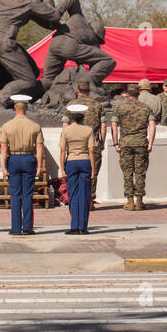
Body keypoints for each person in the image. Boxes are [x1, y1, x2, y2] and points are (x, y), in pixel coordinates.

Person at [0, 97, 44, 235]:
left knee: (15, 195)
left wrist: (4, 167)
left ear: (14, 108)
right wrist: (39, 167)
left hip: (13, 159)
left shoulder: (7, 126)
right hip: (28, 158)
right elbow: (40, 148)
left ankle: (16, 228)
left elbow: (3, 148)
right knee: (28, 195)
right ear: (27, 108)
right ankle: (27, 228)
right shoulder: (35, 126)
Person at [110, 82, 156, 211]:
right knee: (140, 172)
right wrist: (150, 143)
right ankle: (140, 201)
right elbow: (152, 126)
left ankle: (130, 201)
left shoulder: (120, 108)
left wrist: (116, 143)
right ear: (138, 94)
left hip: (125, 144)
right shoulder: (146, 108)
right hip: (141, 143)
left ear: (127, 94)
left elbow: (114, 126)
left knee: (127, 173)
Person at [60, 105, 97, 234]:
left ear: (71, 117)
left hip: (71, 161)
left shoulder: (66, 131)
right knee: (85, 195)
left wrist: (62, 169)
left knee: (73, 194)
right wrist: (93, 169)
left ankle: (74, 226)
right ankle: (83, 226)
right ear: (83, 117)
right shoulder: (88, 130)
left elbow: (63, 151)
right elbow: (91, 150)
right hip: (85, 160)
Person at [71, 79, 108, 202]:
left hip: (75, 145)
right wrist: (102, 141)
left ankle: (78, 198)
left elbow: (65, 125)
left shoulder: (72, 105)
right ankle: (90, 200)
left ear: (78, 91)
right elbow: (103, 125)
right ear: (89, 90)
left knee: (75, 173)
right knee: (93, 171)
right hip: (94, 143)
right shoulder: (97, 105)